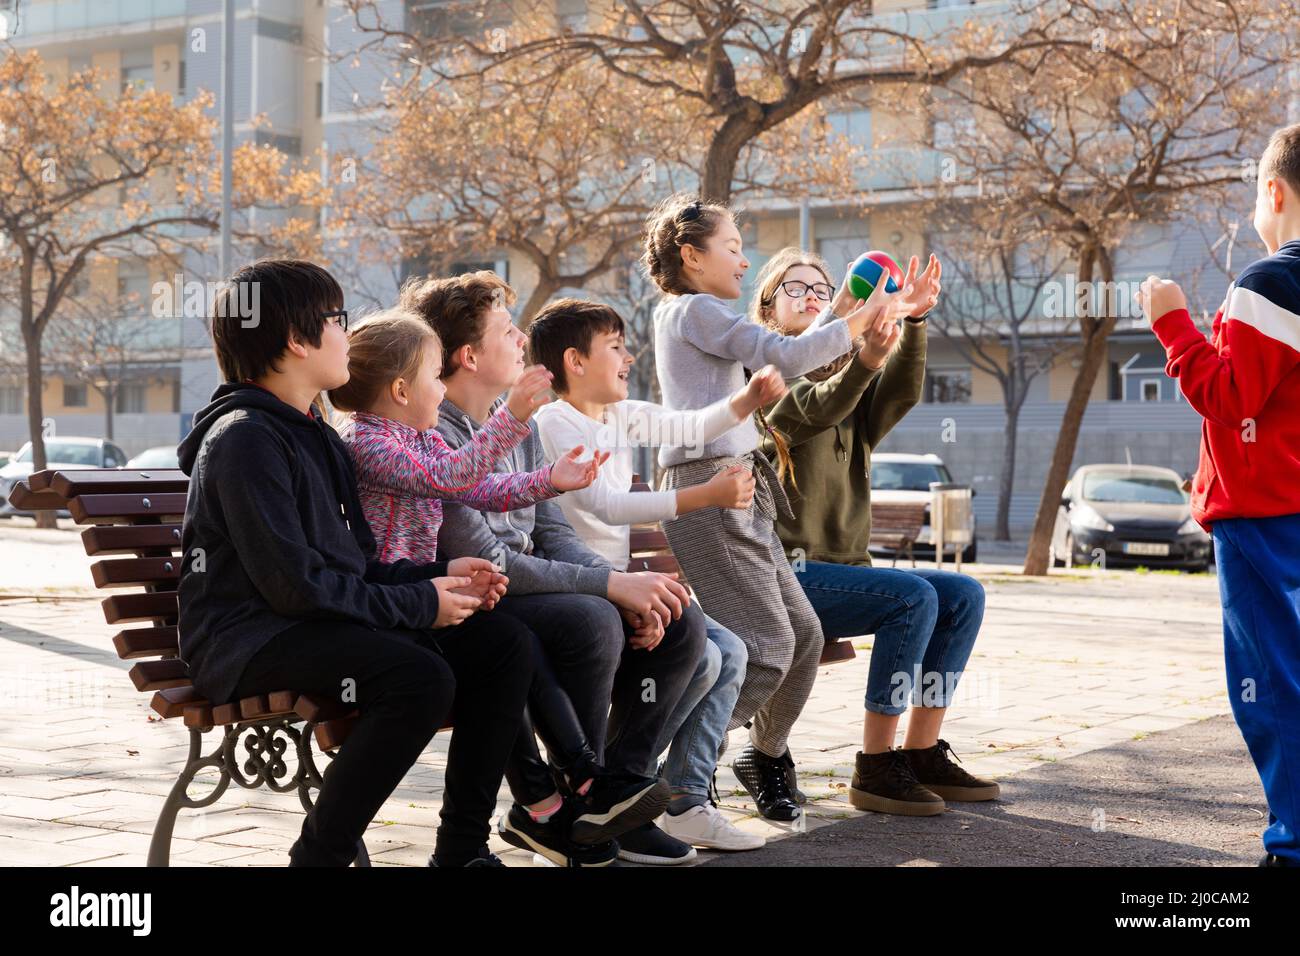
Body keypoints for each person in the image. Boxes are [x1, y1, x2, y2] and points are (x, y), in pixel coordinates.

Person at [177, 259, 531, 867]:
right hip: (248, 642)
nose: (349, 333)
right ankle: (320, 856)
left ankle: (462, 850)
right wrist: (422, 603)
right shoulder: (244, 439)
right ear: (295, 340)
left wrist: (435, 580)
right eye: (337, 320)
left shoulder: (311, 431)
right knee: (419, 677)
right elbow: (296, 587)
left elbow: (352, 566)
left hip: (302, 623)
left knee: (503, 645)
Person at [328, 309, 668, 866]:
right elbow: (452, 477)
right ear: (398, 389)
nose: (442, 388)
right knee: (508, 642)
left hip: (422, 592)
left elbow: (480, 486)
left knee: (513, 642)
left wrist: (547, 481)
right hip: (390, 602)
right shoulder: (370, 441)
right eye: (434, 376)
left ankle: (577, 778)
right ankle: (554, 794)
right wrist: (510, 417)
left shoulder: (412, 434)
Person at [401, 271, 710, 865]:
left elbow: (553, 532)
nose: (523, 341)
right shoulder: (435, 431)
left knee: (680, 621)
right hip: (474, 602)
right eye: (509, 330)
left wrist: (629, 590)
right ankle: (577, 799)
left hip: (522, 593)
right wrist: (611, 586)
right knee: (590, 619)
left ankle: (616, 793)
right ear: (468, 355)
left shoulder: (513, 423)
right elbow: (489, 560)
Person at [643, 192, 904, 821]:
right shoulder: (692, 311)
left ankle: (757, 755)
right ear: (691, 254)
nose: (743, 258)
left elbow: (791, 350)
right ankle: (667, 770)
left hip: (740, 481)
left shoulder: (698, 314)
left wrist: (852, 313)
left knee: (805, 635)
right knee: (767, 646)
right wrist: (864, 317)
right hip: (710, 484)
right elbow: (786, 355)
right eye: (732, 247)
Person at [529, 296, 787, 851]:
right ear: (575, 361)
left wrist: (746, 399)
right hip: (589, 588)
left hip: (622, 584)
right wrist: (705, 495)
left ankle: (652, 791)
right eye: (615, 347)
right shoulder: (553, 420)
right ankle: (623, 791)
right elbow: (608, 506)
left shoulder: (621, 414)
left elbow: (691, 427)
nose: (628, 356)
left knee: (732, 652)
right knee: (708, 655)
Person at [751, 247, 996, 816]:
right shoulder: (762, 380)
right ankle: (875, 765)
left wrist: (913, 322)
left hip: (843, 576)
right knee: (910, 597)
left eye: (821, 286)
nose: (811, 295)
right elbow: (815, 406)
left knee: (963, 594)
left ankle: (921, 751)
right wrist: (852, 343)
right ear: (768, 308)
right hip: (784, 575)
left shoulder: (850, 383)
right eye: (796, 288)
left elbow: (900, 392)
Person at [1139, 122, 1300, 867]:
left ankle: (1292, 842)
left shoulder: (1271, 280)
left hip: (1267, 516)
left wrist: (1172, 322)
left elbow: (1232, 397)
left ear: (1274, 190)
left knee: (1271, 685)